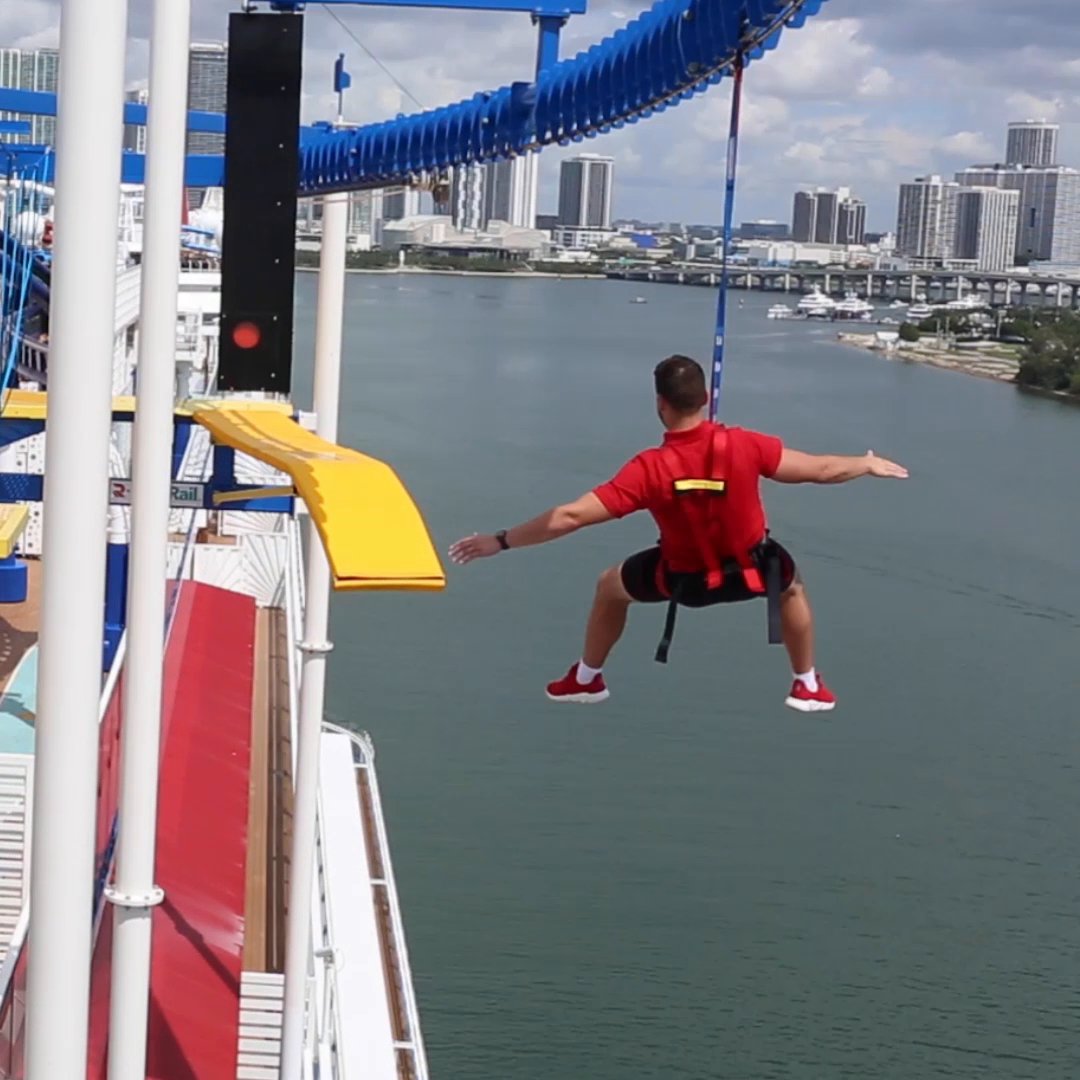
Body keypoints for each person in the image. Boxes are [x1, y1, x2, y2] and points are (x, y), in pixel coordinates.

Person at [449, 355, 908, 712]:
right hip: (751, 571)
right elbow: (821, 470)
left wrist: (502, 540)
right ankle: (806, 683)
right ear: (705, 398)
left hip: (683, 581)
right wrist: (864, 464)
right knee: (790, 586)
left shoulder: (649, 468)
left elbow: (569, 516)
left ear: (660, 405)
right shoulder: (746, 445)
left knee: (610, 587)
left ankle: (587, 678)